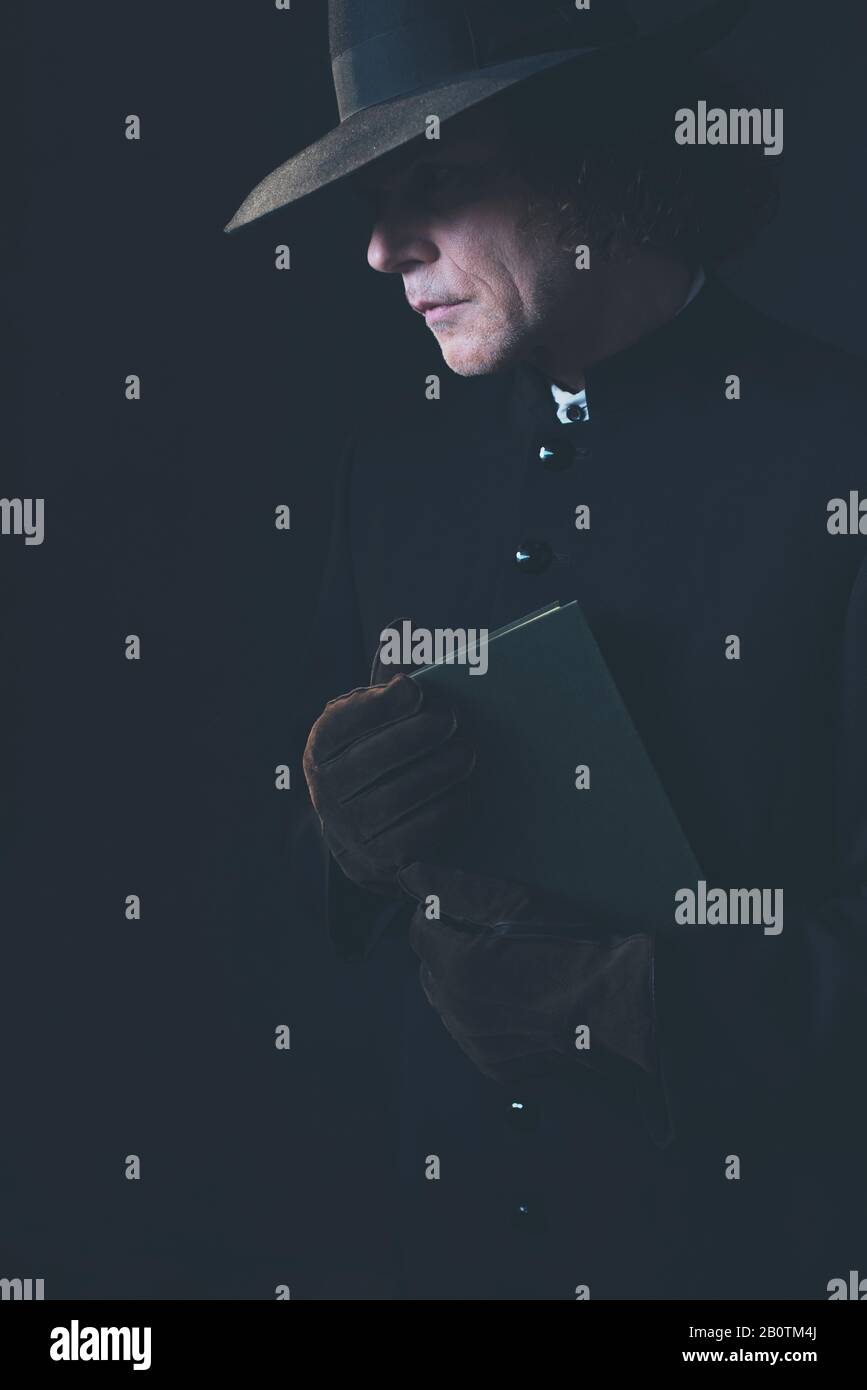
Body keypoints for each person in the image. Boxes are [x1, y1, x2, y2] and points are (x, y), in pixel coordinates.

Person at [225, 0, 867, 1299]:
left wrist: (650, 1005)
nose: (379, 246)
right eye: (372, 195)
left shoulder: (839, 454)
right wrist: (333, 831)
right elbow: (282, 890)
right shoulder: (392, 476)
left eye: (436, 183)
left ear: (595, 160)